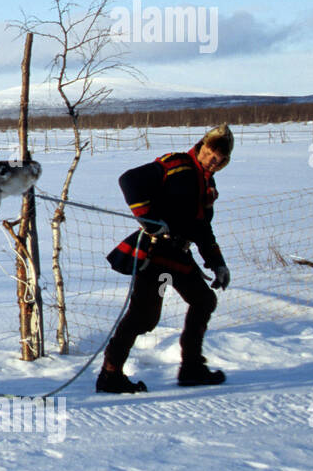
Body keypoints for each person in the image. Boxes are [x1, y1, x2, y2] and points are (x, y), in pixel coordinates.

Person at [96, 124, 233, 393]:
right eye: (210, 153)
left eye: (220, 159)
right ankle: (110, 374)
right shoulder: (176, 164)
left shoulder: (208, 182)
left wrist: (217, 262)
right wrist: (149, 221)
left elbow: (202, 227)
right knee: (143, 317)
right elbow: (129, 180)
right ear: (201, 146)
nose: (213, 161)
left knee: (203, 300)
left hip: (179, 256)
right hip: (156, 254)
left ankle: (191, 368)